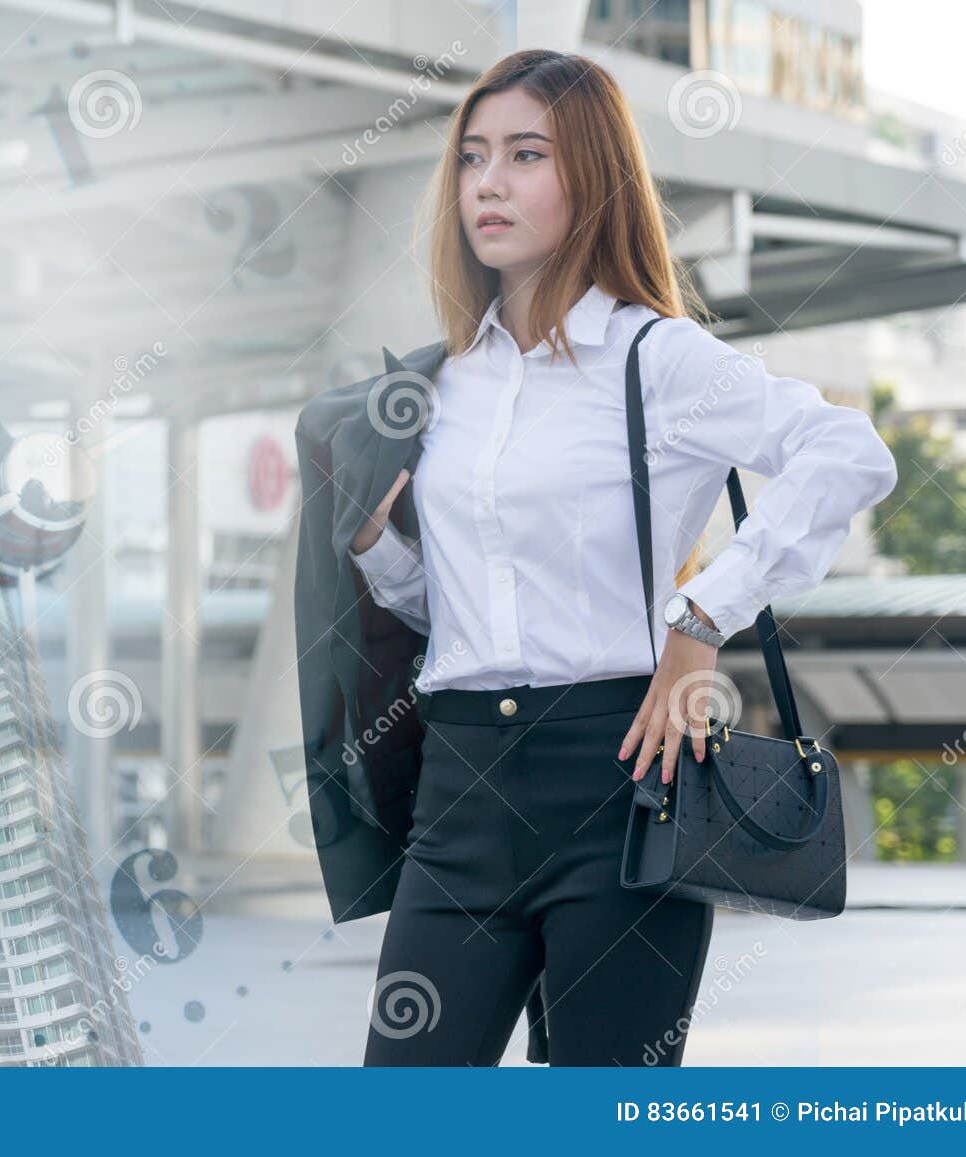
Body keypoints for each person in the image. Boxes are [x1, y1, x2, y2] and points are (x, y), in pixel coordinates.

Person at [345, 48, 899, 1066]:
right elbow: (467, 617)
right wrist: (381, 550)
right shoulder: (439, 382)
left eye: (524, 155)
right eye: (472, 157)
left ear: (591, 178)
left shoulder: (656, 357)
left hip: (621, 779)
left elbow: (848, 453)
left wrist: (700, 622)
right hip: (458, 785)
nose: (488, 183)